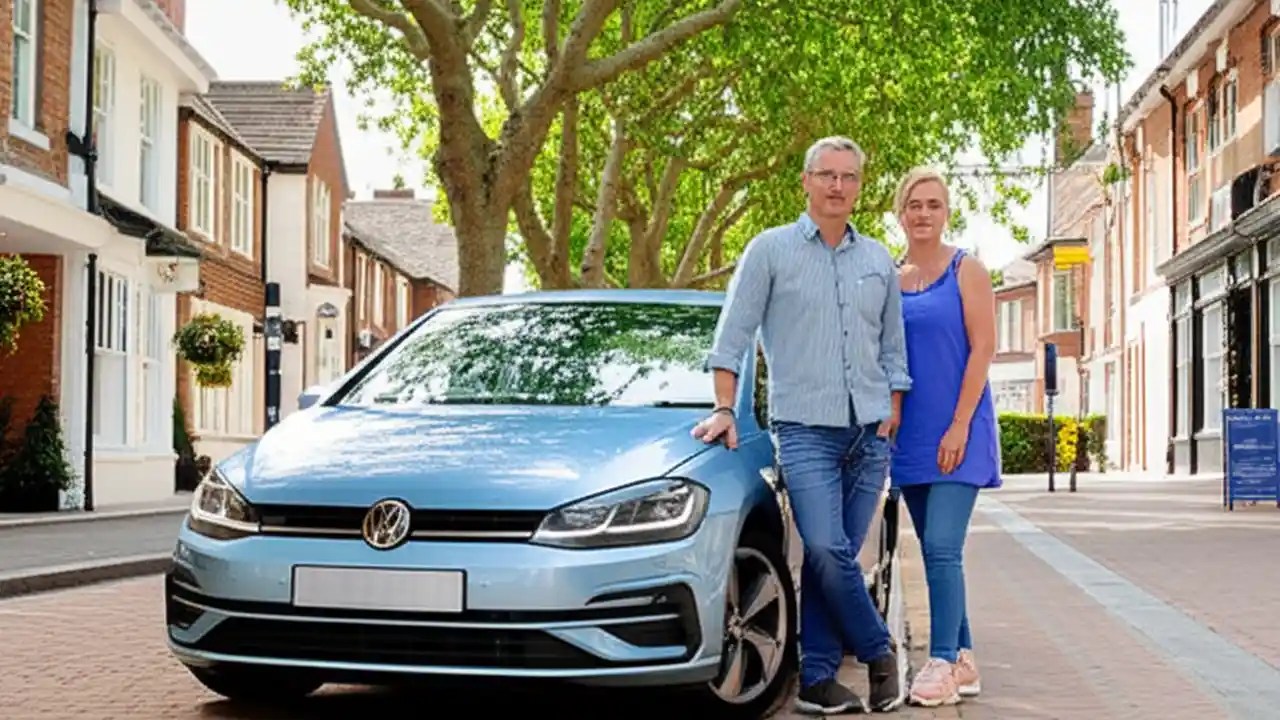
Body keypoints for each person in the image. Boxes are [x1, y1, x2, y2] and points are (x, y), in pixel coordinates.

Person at [693, 136, 910, 715]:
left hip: (869, 435)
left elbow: (893, 347)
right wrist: (722, 407)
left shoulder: (878, 260)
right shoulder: (769, 250)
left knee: (827, 558)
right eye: (826, 175)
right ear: (805, 182)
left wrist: (891, 412)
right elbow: (732, 337)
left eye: (849, 177)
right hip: (805, 432)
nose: (837, 186)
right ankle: (879, 650)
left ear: (860, 187)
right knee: (824, 546)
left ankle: (816, 680)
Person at [889, 167, 1000, 707]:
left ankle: (938, 662)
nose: (924, 213)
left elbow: (982, 350)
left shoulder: (967, 270)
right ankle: (964, 659)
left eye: (934, 204)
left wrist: (959, 424)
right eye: (914, 204)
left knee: (940, 548)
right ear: (900, 212)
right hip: (909, 437)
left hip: (961, 429)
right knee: (935, 552)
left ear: (946, 211)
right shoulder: (891, 277)